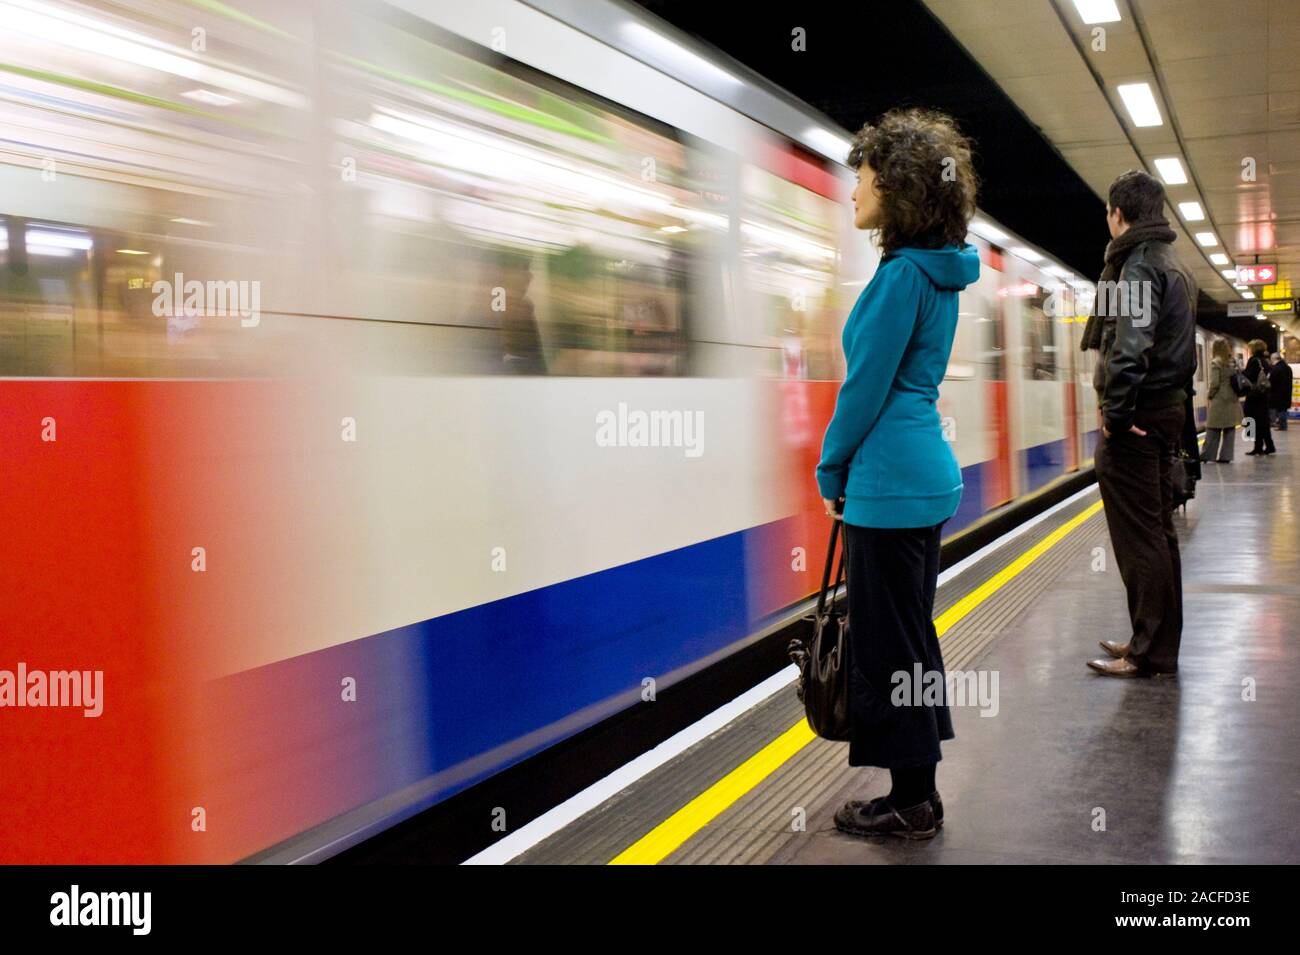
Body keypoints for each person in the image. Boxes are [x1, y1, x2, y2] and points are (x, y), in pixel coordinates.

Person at [815, 108, 979, 839]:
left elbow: (864, 388)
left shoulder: (899, 277)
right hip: (924, 476)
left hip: (886, 483)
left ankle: (911, 800)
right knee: (911, 637)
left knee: (892, 645)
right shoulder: (938, 274)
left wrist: (830, 467)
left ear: (898, 184)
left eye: (864, 175)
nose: (854, 189)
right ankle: (919, 791)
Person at [1079, 169, 1196, 677]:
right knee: (1159, 531)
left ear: (1118, 214)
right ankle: (1155, 643)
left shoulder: (1138, 269)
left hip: (1139, 417)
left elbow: (1129, 348)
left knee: (1140, 537)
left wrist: (1117, 416)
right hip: (1166, 410)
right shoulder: (1171, 263)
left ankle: (1150, 650)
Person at [1201, 338, 1243, 463]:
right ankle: (1226, 456)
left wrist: (1209, 395)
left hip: (1220, 399)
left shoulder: (1216, 362)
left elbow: (1215, 383)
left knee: (1213, 428)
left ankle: (1208, 455)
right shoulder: (1233, 361)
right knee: (1229, 429)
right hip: (1233, 398)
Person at [1243, 340, 1274, 455]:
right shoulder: (1265, 360)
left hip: (1254, 395)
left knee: (1253, 421)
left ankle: (1258, 447)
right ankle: (1269, 445)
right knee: (1263, 421)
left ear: (1254, 348)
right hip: (1263, 395)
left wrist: (1241, 372)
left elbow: (1249, 375)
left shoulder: (1254, 360)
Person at [1270, 351, 1292, 432]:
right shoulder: (1287, 367)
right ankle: (1283, 425)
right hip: (1286, 393)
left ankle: (1283, 426)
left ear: (1274, 359)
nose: (1271, 361)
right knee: (1283, 409)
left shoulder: (1276, 368)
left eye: (1271, 359)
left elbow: (1272, 382)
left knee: (1281, 410)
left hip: (1278, 393)